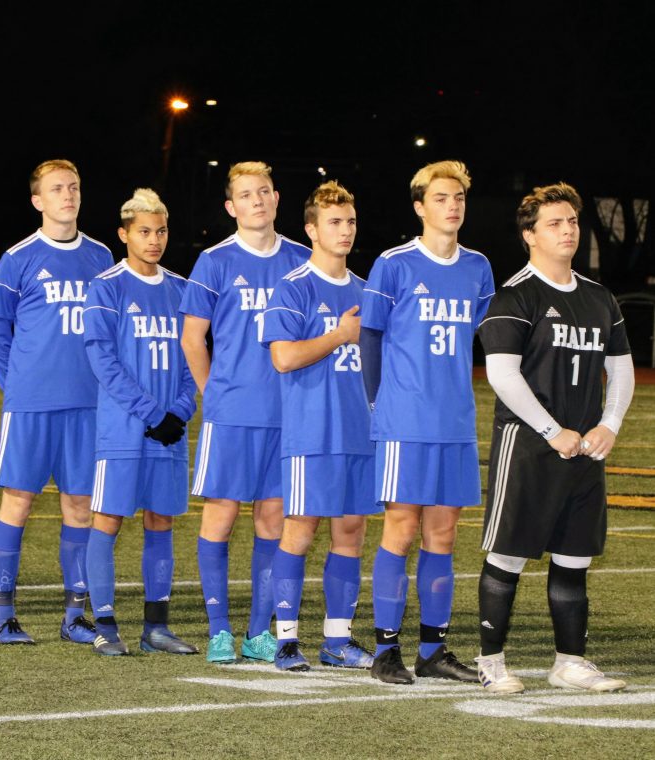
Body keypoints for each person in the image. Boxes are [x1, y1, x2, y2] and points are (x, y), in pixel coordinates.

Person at [474, 183, 633, 693]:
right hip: (528, 448)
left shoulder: (598, 297)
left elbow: (622, 370)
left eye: (571, 222)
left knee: (574, 556)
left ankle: (569, 662)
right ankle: (492, 661)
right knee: (509, 555)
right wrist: (551, 430)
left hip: (585, 449)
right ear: (530, 236)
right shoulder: (515, 295)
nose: (567, 231)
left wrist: (609, 423)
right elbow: (502, 375)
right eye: (554, 224)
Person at [359, 160, 494, 684]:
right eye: (440, 198)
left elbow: (484, 336)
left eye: (458, 197)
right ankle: (385, 650)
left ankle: (433, 650)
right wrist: (378, 407)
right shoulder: (393, 265)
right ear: (420, 206)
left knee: (443, 534)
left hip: (455, 421)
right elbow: (370, 337)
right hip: (404, 423)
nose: (452, 206)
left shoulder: (478, 267)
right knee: (401, 527)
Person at [179, 161, 310, 665]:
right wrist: (213, 392)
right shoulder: (214, 261)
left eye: (264, 192)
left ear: (276, 199)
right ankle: (218, 632)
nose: (256, 201)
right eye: (245, 195)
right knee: (221, 517)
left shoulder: (302, 261)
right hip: (232, 413)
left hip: (288, 414)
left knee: (273, 521)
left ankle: (259, 633)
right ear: (231, 207)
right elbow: (193, 337)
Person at [0, 160, 113, 644]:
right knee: (17, 501)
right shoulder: (17, 258)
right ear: (38, 200)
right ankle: (3, 615)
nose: (68, 195)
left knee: (80, 507)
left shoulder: (101, 257)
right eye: (57, 188)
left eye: (74, 187)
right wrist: (14, 383)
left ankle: (74, 615)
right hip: (32, 405)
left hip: (88, 404)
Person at [261, 181, 377, 669]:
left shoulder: (368, 290)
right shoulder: (294, 286)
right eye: (334, 221)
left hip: (360, 431)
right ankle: (286, 639)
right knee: (300, 530)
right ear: (311, 229)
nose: (345, 230)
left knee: (350, 530)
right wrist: (338, 335)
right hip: (313, 431)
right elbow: (284, 358)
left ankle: (337, 640)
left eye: (350, 221)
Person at [81, 188, 198, 656]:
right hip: (125, 431)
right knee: (107, 520)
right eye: (144, 232)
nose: (154, 240)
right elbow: (103, 361)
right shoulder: (106, 287)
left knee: (161, 522)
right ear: (124, 234)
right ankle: (106, 626)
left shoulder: (181, 289)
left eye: (161, 231)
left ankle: (156, 627)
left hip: (170, 431)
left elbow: (194, 356)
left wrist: (183, 410)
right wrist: (153, 412)